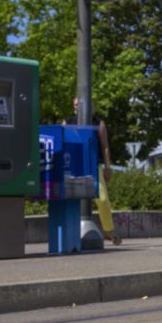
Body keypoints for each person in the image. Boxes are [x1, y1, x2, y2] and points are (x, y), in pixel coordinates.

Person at [65, 97, 122, 245]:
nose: (77, 107)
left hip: (92, 165)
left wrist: (107, 167)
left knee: (102, 198)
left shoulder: (98, 122)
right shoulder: (68, 121)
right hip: (74, 165)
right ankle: (69, 231)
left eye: (79, 104)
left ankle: (109, 231)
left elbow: (105, 146)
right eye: (75, 104)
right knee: (70, 198)